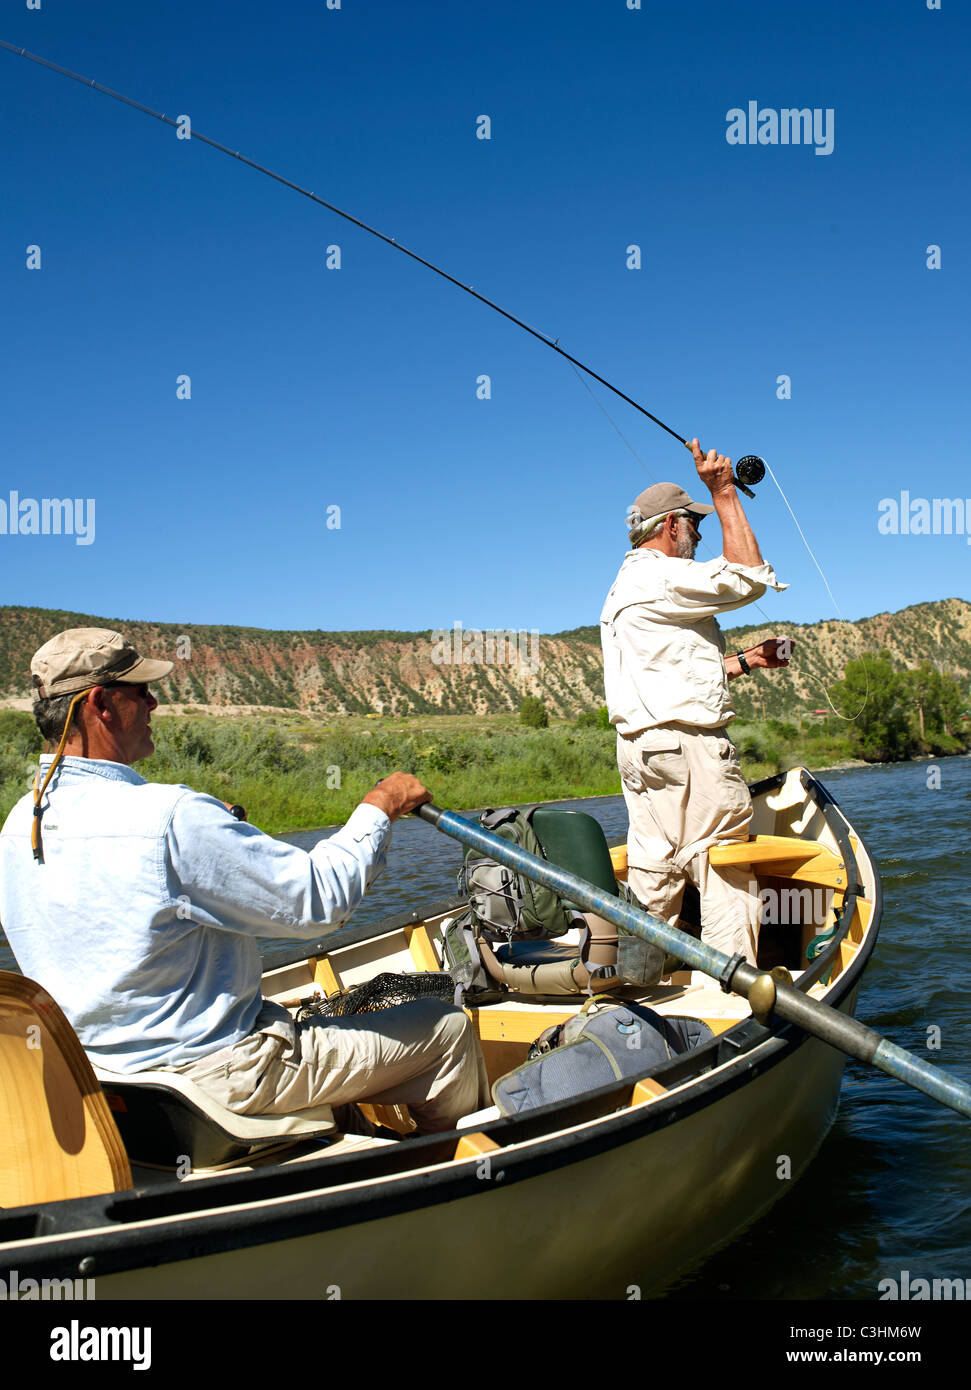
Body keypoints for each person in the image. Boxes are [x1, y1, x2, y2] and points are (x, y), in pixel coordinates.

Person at [0, 626, 488, 1134]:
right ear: (101, 704)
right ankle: (449, 1173)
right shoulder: (169, 816)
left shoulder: (17, 825)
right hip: (220, 1073)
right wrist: (380, 805)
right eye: (140, 691)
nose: (154, 703)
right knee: (447, 1028)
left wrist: (216, 839)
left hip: (103, 1080)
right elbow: (318, 901)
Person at [600, 440, 793, 979]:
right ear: (671, 526)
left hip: (641, 753)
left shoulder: (623, 587)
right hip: (690, 751)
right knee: (723, 867)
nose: (700, 533)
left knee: (654, 874)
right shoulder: (662, 576)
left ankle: (635, 992)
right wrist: (725, 492)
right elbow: (748, 576)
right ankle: (732, 1003)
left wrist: (745, 663)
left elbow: (668, 670)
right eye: (696, 524)